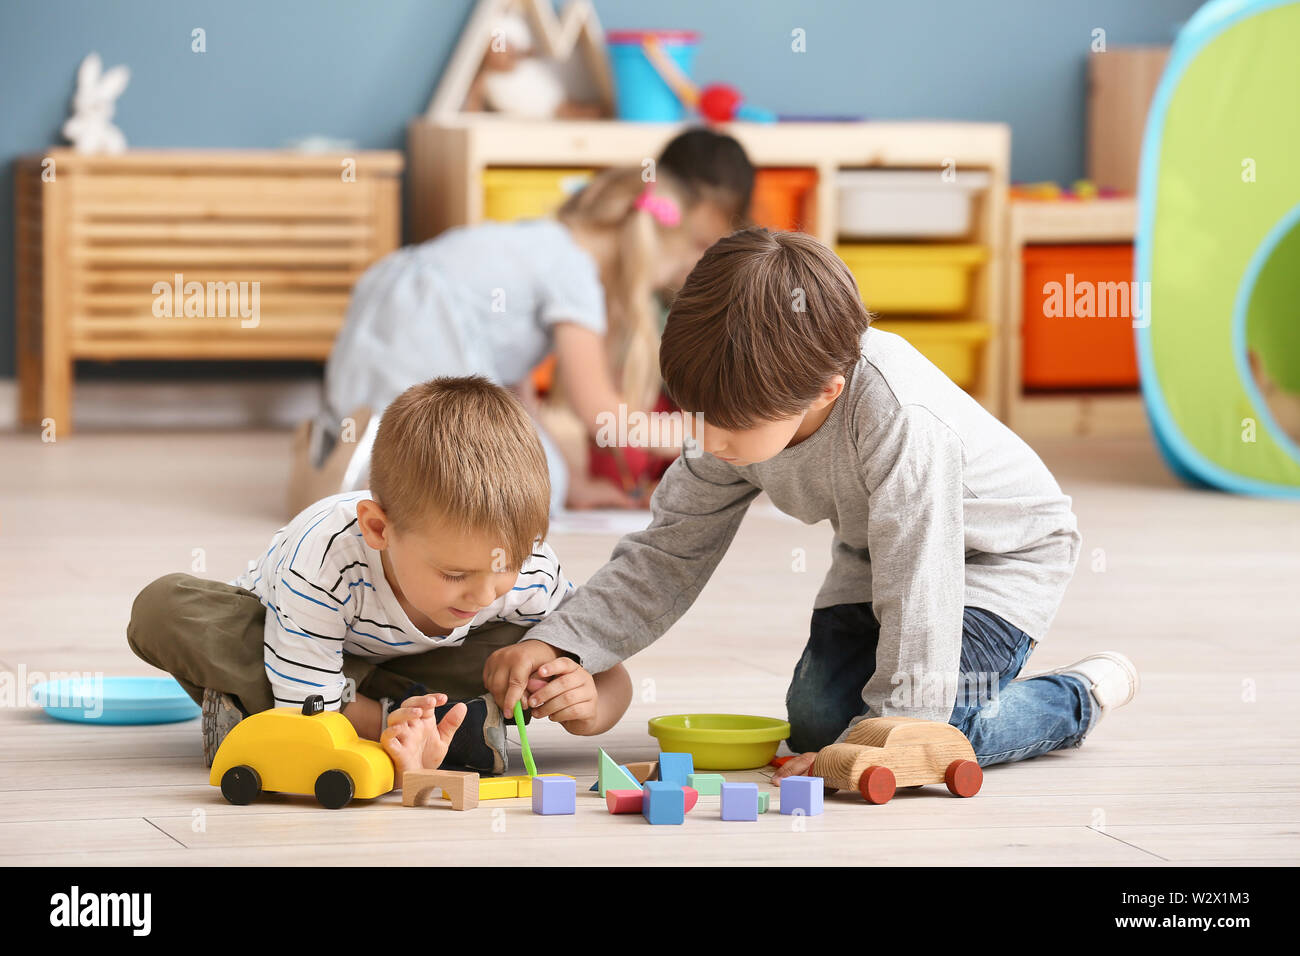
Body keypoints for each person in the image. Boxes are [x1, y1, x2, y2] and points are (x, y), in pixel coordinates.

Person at [485, 228, 1140, 779]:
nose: (708, 441)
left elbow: (922, 575)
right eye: (697, 417)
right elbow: (664, 555)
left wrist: (885, 736)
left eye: (730, 428)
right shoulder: (735, 417)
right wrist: (563, 644)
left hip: (999, 560)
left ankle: (1073, 698)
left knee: (924, 731)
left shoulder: (897, 417)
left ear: (826, 392)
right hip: (875, 555)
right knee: (818, 720)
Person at [129, 377, 632, 780]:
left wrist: (591, 704)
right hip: (289, 653)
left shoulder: (528, 569)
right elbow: (312, 708)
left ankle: (272, 720)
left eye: (507, 565)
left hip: (409, 670)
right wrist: (386, 721)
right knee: (164, 607)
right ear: (378, 529)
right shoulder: (323, 559)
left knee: (533, 649)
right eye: (454, 573)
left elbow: (610, 667)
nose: (483, 593)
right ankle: (443, 731)